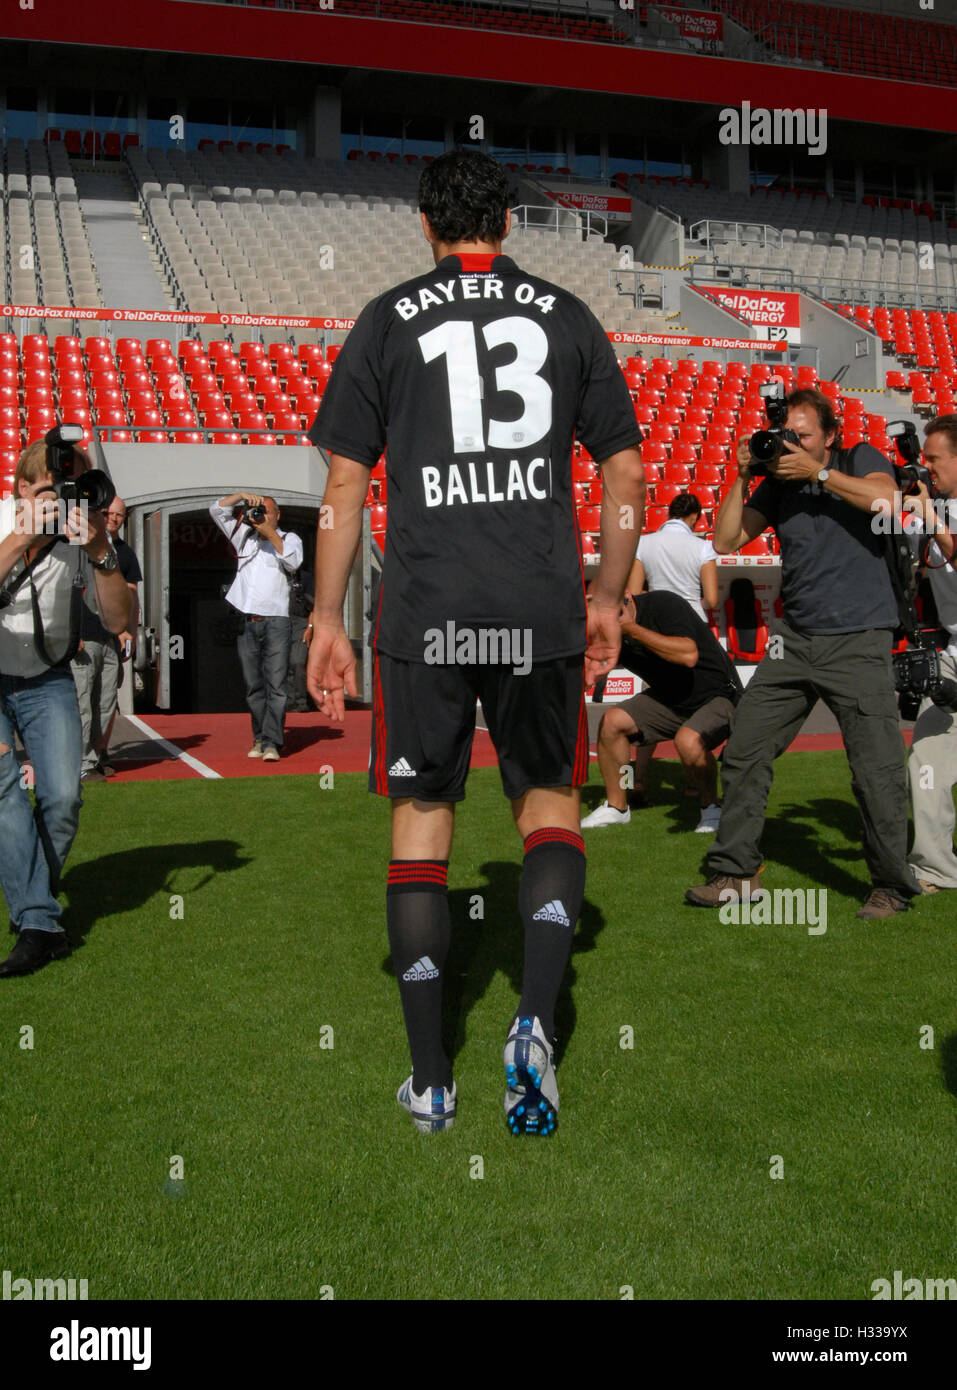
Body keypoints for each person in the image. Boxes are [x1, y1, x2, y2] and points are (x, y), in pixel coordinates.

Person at [307, 148, 644, 1136]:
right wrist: (610, 594)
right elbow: (624, 477)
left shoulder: (384, 321)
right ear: (507, 220)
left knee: (423, 823)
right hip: (538, 606)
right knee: (549, 809)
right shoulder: (570, 317)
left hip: (427, 613)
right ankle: (533, 1022)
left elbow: (341, 488)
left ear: (425, 224)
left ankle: (432, 1081)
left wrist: (325, 619)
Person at [685, 387, 921, 919]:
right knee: (744, 748)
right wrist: (746, 474)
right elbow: (724, 541)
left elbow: (887, 502)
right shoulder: (776, 484)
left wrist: (816, 472)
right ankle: (736, 872)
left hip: (859, 637)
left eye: (803, 435)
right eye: (786, 434)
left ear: (830, 436)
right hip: (794, 640)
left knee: (875, 768)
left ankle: (890, 885)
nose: (791, 443)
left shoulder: (857, 458)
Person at [0, 437, 132, 977]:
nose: (66, 500)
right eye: (55, 489)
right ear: (22, 489)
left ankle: (32, 895)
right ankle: (38, 921)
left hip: (47, 676)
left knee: (62, 798)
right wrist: (22, 535)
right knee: (5, 788)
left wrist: (100, 548)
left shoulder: (81, 536)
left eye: (75, 490)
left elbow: (121, 619)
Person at [581, 588, 741, 833]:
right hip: (670, 700)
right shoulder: (606, 630)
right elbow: (586, 673)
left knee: (688, 740)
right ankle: (618, 805)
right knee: (612, 722)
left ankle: (711, 806)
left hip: (718, 695)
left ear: (626, 596)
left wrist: (631, 628)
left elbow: (688, 655)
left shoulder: (663, 604)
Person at [209, 490, 303, 761]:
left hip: (277, 621)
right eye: (257, 511)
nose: (260, 515)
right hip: (247, 620)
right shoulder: (244, 536)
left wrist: (268, 531)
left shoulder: (288, 538)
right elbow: (215, 510)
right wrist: (239, 496)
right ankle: (260, 737)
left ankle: (273, 741)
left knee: (277, 683)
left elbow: (294, 561)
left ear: (277, 515)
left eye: (266, 511)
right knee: (253, 685)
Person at [904, 416, 957, 891]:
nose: (927, 468)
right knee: (926, 758)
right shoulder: (936, 508)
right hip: (953, 652)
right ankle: (937, 867)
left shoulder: (938, 513)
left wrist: (931, 516)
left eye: (935, 458)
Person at [70, 495, 141, 781]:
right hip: (84, 637)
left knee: (105, 701)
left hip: (112, 638)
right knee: (83, 701)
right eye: (109, 513)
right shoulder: (77, 547)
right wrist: (71, 633)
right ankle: (82, 763)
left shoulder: (125, 553)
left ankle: (97, 755)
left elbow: (132, 597)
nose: (113, 519)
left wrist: (131, 632)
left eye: (119, 515)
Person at [630, 492, 718, 622]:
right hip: (692, 618)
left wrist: (657, 597)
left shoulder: (642, 543)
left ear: (669, 515)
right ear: (694, 517)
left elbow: (634, 593)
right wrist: (697, 604)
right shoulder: (705, 547)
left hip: (657, 617)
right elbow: (711, 601)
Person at [286, 567, 315, 713]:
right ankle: (287, 702)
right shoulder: (276, 575)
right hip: (281, 621)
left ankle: (301, 702)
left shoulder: (306, 577)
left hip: (301, 622)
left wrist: (310, 627)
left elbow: (314, 607)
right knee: (282, 664)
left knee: (297, 662)